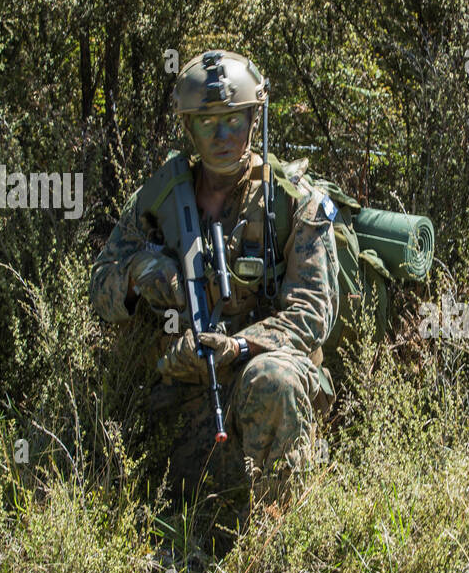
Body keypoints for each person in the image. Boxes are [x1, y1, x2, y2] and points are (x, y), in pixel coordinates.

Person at [90, 50, 339, 523]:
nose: (223, 136)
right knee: (168, 512)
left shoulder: (293, 203)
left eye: (233, 120)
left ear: (253, 118)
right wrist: (140, 273)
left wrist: (240, 346)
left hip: (256, 388)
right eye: (208, 123)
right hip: (176, 389)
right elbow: (100, 287)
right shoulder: (159, 199)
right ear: (189, 128)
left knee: (277, 380)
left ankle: (276, 543)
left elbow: (312, 313)